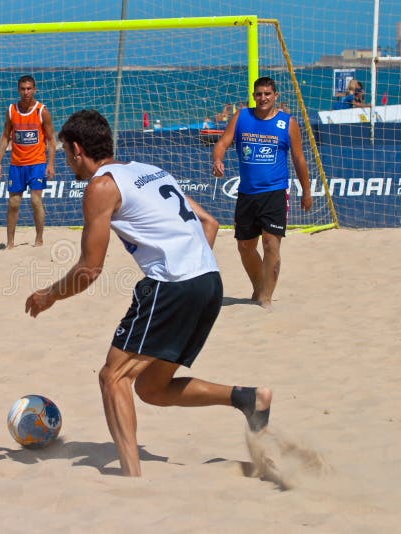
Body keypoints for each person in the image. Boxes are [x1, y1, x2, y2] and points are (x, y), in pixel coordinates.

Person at [25, 109, 271, 477]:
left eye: (64, 152)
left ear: (77, 149)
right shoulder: (147, 169)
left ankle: (131, 478)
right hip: (209, 281)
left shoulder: (101, 186)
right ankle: (247, 399)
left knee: (113, 377)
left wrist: (49, 296)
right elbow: (210, 222)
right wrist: (190, 264)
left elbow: (89, 270)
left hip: (174, 285)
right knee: (153, 388)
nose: (65, 161)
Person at [212, 76, 312, 309]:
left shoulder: (287, 123)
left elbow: (298, 159)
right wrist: (218, 159)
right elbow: (221, 143)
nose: (263, 98)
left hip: (274, 193)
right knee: (245, 247)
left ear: (275, 96)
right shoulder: (242, 116)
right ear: (254, 96)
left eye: (267, 93)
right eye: (259, 94)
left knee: (270, 244)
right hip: (247, 193)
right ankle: (260, 289)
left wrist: (306, 191)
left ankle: (265, 299)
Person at [0, 75, 57, 249]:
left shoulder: (41, 110)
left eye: (29, 88)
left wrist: (51, 164)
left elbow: (51, 140)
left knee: (35, 201)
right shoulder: (11, 110)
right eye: (23, 89)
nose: (26, 92)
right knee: (13, 203)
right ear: (18, 90)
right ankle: (10, 242)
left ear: (34, 90)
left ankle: (39, 238)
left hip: (37, 163)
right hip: (16, 164)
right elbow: (5, 136)